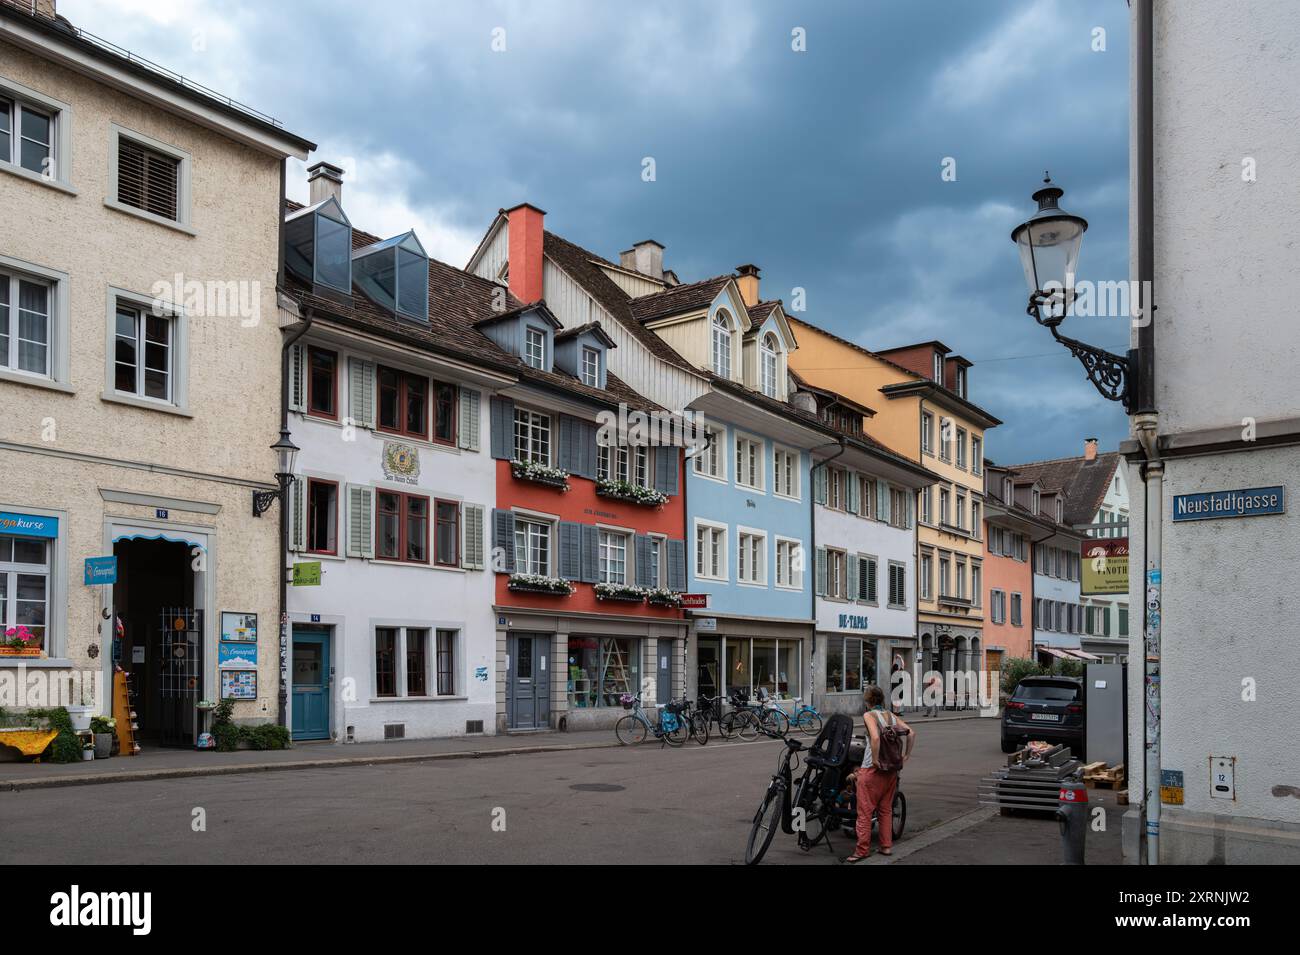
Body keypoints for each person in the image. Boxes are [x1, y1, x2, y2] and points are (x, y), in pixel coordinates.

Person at [844, 684, 914, 863]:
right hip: (891, 770)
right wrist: (906, 755)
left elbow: (874, 737)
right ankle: (886, 846)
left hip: (872, 769)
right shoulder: (890, 715)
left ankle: (862, 851)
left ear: (867, 700)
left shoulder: (869, 715)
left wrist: (875, 760)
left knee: (865, 812)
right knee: (885, 810)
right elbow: (911, 733)